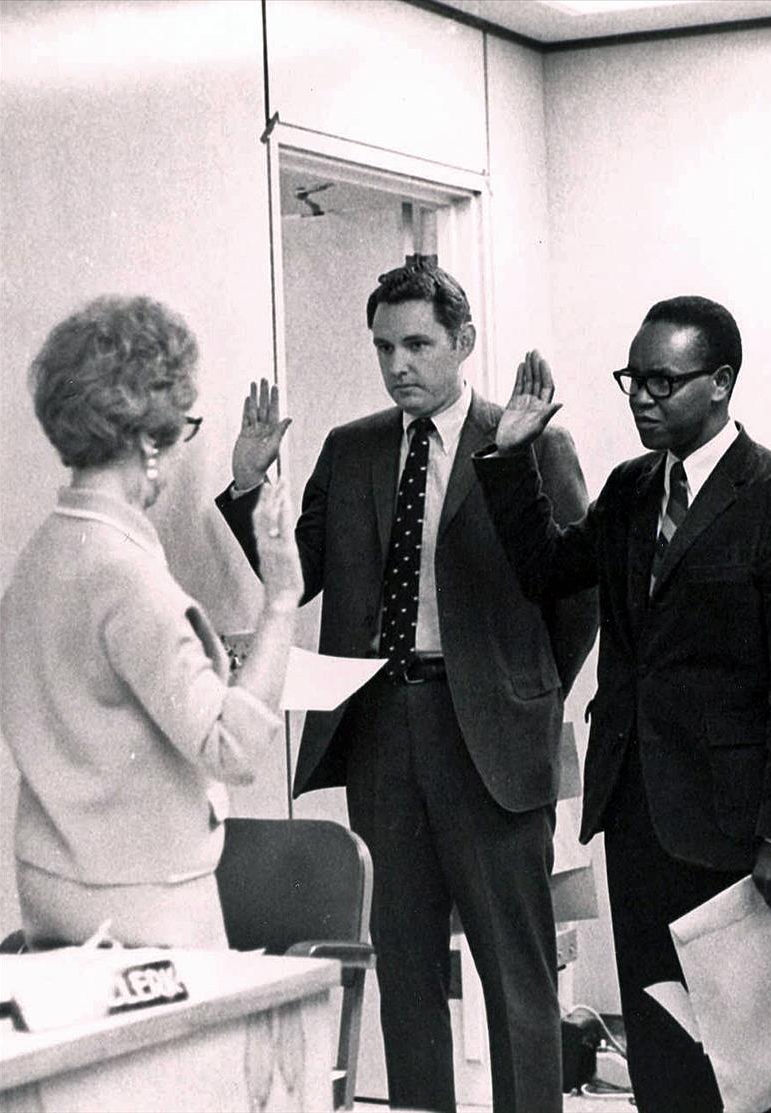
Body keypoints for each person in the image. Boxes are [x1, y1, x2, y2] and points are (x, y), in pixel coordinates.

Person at [216, 258, 597, 1113]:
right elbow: (300, 574)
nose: (399, 365)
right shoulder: (352, 449)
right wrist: (249, 487)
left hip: (494, 740)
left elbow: (577, 595)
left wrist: (525, 692)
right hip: (384, 730)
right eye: (384, 346)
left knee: (517, 974)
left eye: (418, 343)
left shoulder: (530, 437)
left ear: (463, 342)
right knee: (406, 963)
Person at [473, 296, 771, 1113]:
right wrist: (509, 460)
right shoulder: (633, 488)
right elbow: (547, 570)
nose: (641, 396)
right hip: (637, 811)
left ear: (721, 383)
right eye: (632, 378)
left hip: (737, 824)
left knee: (753, 1052)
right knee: (661, 1044)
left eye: (663, 381)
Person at [0, 295, 302, 950]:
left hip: (52, 890)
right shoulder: (127, 574)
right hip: (147, 902)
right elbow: (233, 748)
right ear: (147, 438)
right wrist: (281, 598)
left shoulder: (40, 557)